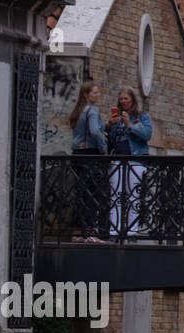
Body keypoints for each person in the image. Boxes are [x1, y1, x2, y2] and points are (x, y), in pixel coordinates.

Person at [104, 88, 151, 238]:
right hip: (117, 159)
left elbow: (146, 135)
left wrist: (130, 125)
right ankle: (114, 231)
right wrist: (109, 126)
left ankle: (132, 232)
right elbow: (111, 141)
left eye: (126, 99)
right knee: (116, 196)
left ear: (133, 100)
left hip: (136, 160)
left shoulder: (142, 117)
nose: (123, 101)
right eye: (121, 99)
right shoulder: (117, 119)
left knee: (133, 197)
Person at [68, 80, 107, 242]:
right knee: (92, 192)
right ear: (86, 94)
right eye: (95, 93)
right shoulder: (91, 110)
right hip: (91, 154)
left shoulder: (78, 111)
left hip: (77, 154)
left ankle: (77, 232)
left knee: (81, 193)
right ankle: (90, 232)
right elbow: (94, 131)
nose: (98, 95)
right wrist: (103, 147)